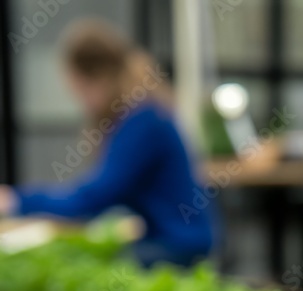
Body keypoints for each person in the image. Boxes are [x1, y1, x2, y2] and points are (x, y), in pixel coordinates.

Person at [0, 20, 217, 268]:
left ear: (96, 80)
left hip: (177, 244)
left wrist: (16, 200)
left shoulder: (143, 122)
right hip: (168, 238)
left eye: (79, 92)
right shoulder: (142, 114)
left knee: (78, 269)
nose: (83, 105)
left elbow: (93, 198)